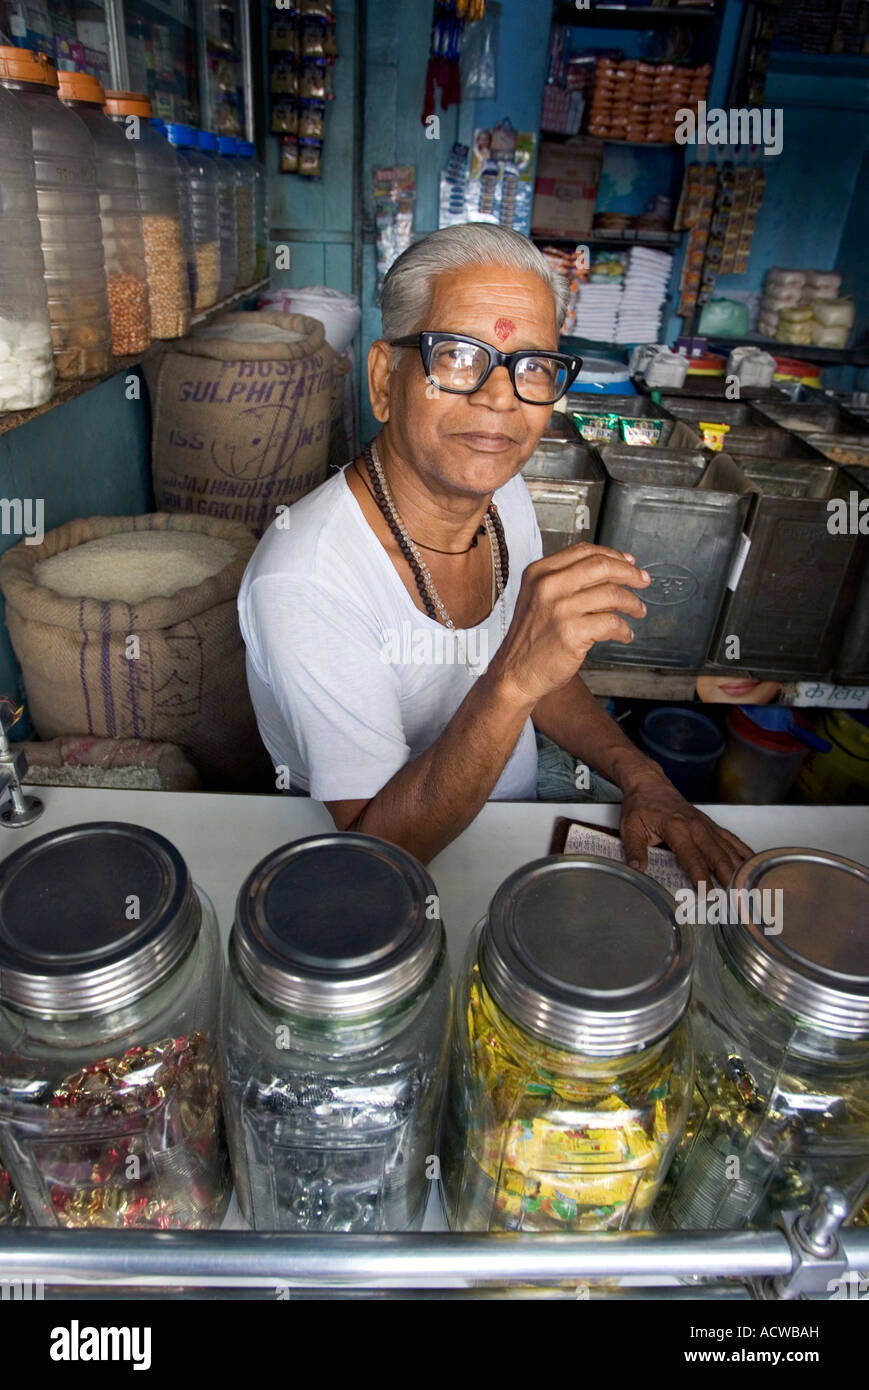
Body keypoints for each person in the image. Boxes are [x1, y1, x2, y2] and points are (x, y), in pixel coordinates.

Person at [238, 224, 751, 883]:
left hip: (508, 834)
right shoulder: (306, 582)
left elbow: (540, 675)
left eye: (532, 366)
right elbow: (380, 847)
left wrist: (641, 777)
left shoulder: (500, 492)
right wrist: (513, 674)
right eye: (455, 355)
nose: (500, 397)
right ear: (384, 379)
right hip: (386, 877)